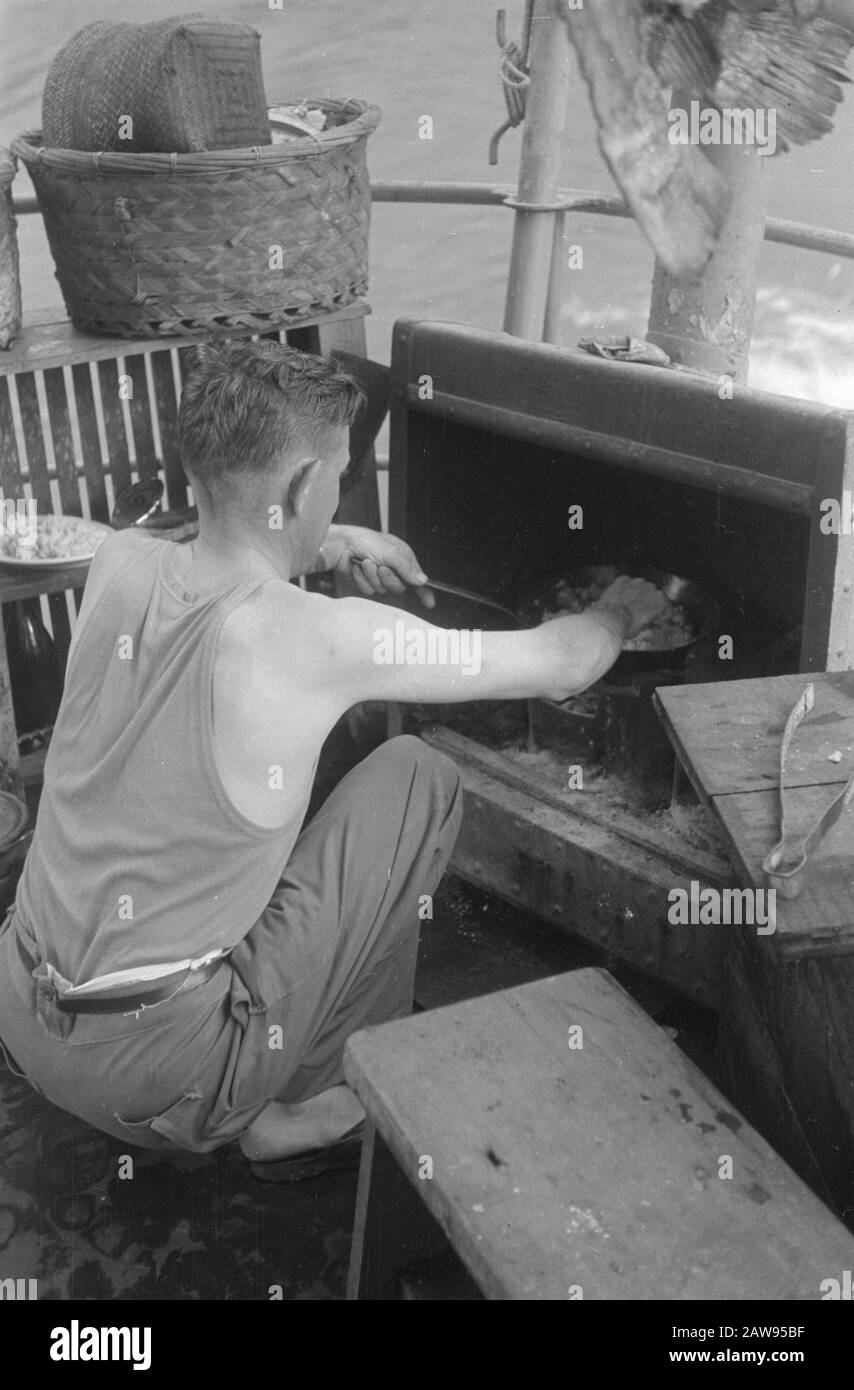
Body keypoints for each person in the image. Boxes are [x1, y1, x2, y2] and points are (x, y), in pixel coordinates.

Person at [0, 340, 665, 1180]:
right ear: (305, 488)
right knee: (416, 777)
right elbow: (563, 663)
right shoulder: (321, 641)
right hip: (165, 1080)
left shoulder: (114, 565)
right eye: (340, 478)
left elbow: (208, 544)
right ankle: (305, 1105)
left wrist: (324, 543)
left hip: (24, 1012)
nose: (339, 492)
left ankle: (255, 1085)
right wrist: (618, 611)